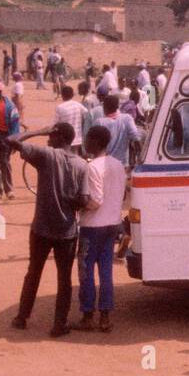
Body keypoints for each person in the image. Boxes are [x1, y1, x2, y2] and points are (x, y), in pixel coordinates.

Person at [9, 122, 90, 337]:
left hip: (41, 228)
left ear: (58, 137)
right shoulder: (82, 165)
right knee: (64, 279)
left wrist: (37, 130)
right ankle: (58, 324)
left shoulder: (46, 156)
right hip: (67, 230)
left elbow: (11, 140)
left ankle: (21, 317)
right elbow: (84, 199)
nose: (48, 138)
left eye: (51, 135)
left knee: (33, 272)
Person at [76, 124, 127, 332]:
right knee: (106, 271)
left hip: (92, 225)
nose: (85, 142)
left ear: (95, 142)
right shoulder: (118, 165)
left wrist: (77, 204)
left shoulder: (92, 167)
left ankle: (88, 315)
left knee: (86, 271)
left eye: (88, 138)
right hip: (112, 224)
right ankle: (105, 316)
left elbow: (95, 200)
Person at [94, 94, 142, 168]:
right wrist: (140, 159)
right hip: (122, 165)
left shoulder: (99, 122)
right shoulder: (127, 119)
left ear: (104, 107)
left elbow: (95, 146)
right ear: (117, 107)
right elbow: (136, 138)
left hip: (104, 165)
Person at [54, 84, 86, 155]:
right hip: (77, 136)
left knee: (65, 154)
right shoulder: (78, 105)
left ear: (62, 95)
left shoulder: (59, 107)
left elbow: (56, 124)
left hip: (65, 137)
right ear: (72, 95)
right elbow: (86, 114)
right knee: (75, 154)